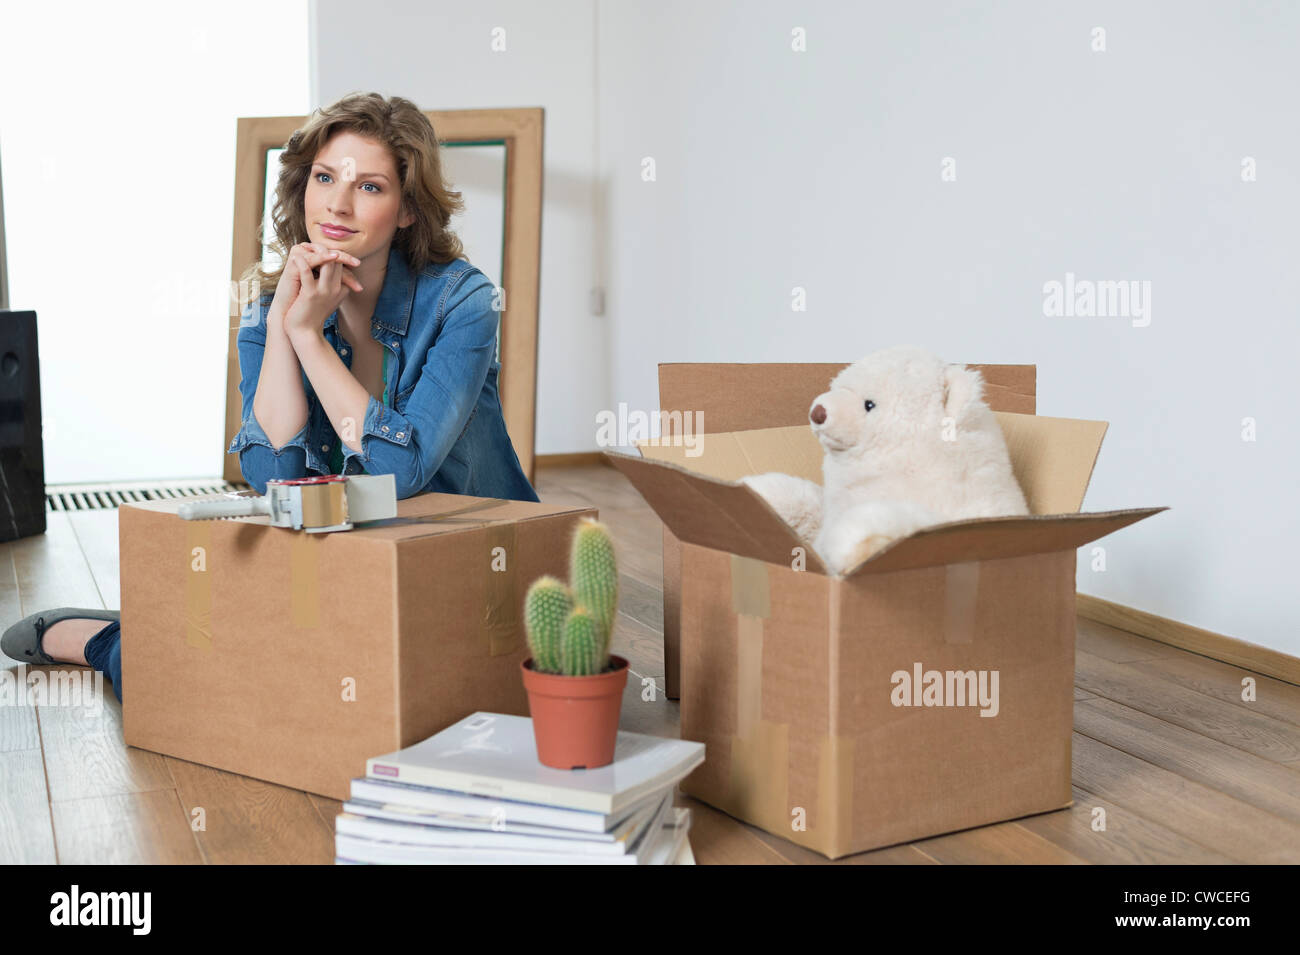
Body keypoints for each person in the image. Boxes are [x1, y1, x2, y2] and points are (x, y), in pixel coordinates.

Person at [2, 93, 540, 704]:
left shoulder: (463, 303)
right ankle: (113, 643)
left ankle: (122, 641)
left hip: (473, 568)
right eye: (325, 177)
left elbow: (402, 472)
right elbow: (273, 476)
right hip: (351, 565)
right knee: (245, 687)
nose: (337, 203)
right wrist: (287, 320)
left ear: (409, 209)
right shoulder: (268, 306)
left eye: (369, 187)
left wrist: (308, 335)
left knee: (288, 683)